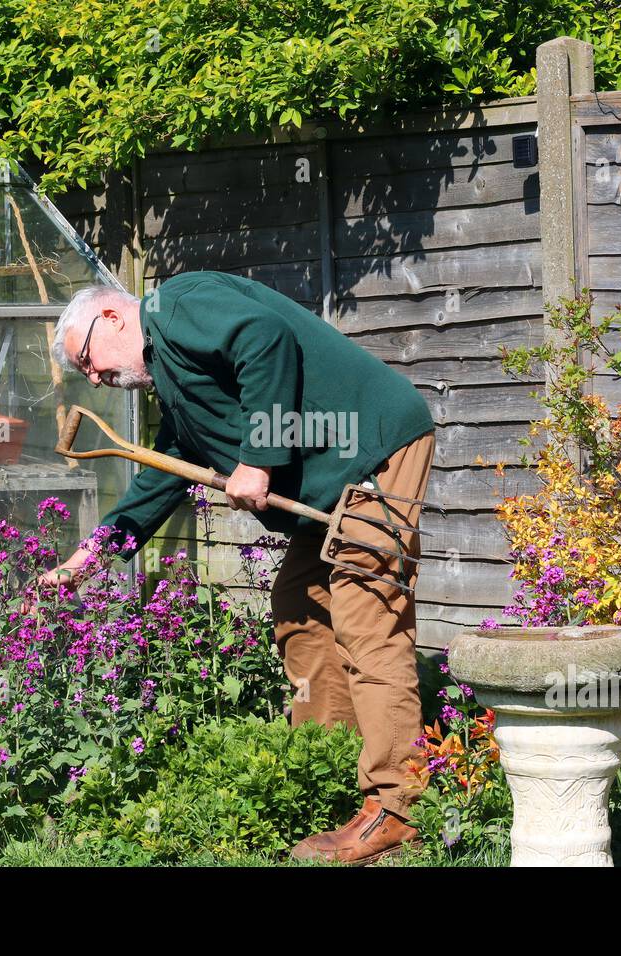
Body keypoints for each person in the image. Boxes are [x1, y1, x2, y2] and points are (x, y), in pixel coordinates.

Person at [42, 271, 435, 864]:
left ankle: (397, 808)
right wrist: (87, 556)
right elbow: (164, 471)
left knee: (367, 623)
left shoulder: (175, 306)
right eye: (86, 375)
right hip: (327, 495)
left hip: (374, 451)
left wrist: (257, 459)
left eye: (88, 361)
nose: (95, 378)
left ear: (114, 319)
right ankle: (326, 768)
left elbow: (265, 336)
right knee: (301, 617)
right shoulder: (172, 378)